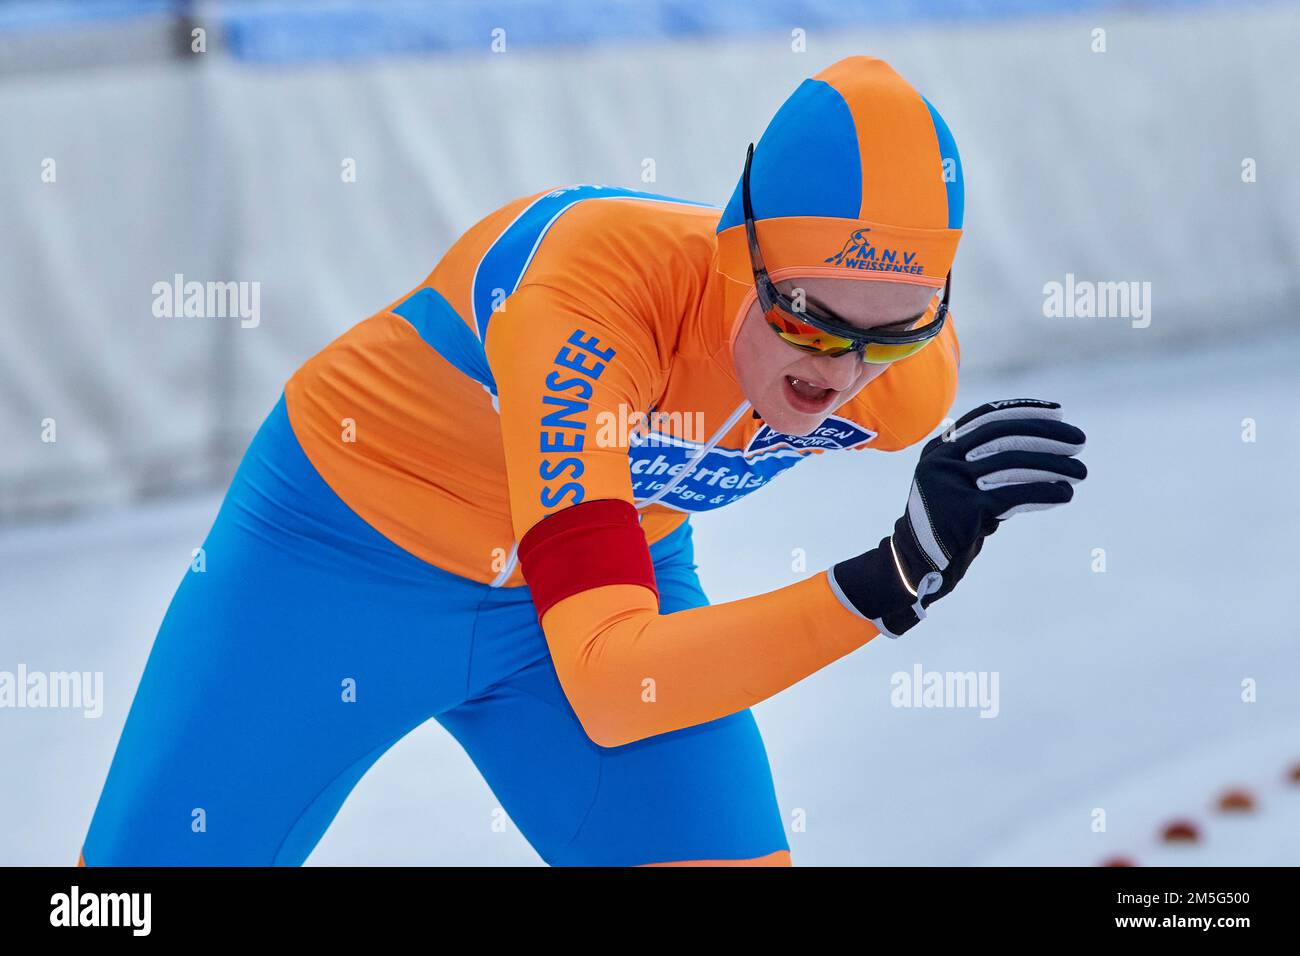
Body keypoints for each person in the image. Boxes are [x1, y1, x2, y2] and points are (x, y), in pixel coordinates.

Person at [79, 56, 1086, 867]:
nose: (843, 370)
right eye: (808, 321)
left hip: (593, 588)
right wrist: (885, 582)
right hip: (339, 566)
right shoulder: (590, 306)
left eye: (891, 334)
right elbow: (611, 684)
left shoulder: (903, 386)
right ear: (741, 248)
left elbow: (607, 654)